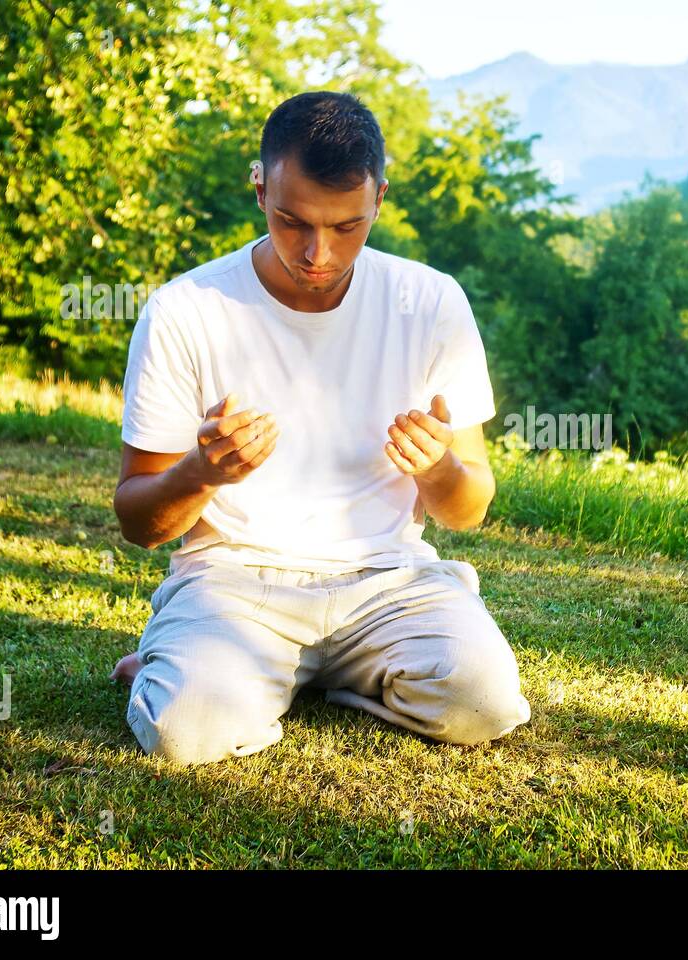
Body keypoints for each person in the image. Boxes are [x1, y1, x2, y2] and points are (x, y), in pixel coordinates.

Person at [108, 91, 531, 766]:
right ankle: (190, 663)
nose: (318, 253)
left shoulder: (431, 302)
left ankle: (299, 677)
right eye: (292, 220)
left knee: (484, 702)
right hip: (233, 580)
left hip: (389, 580)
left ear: (380, 199)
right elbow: (138, 520)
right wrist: (201, 473)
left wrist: (438, 470)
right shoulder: (184, 310)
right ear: (259, 187)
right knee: (185, 734)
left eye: (346, 226)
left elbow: (469, 507)